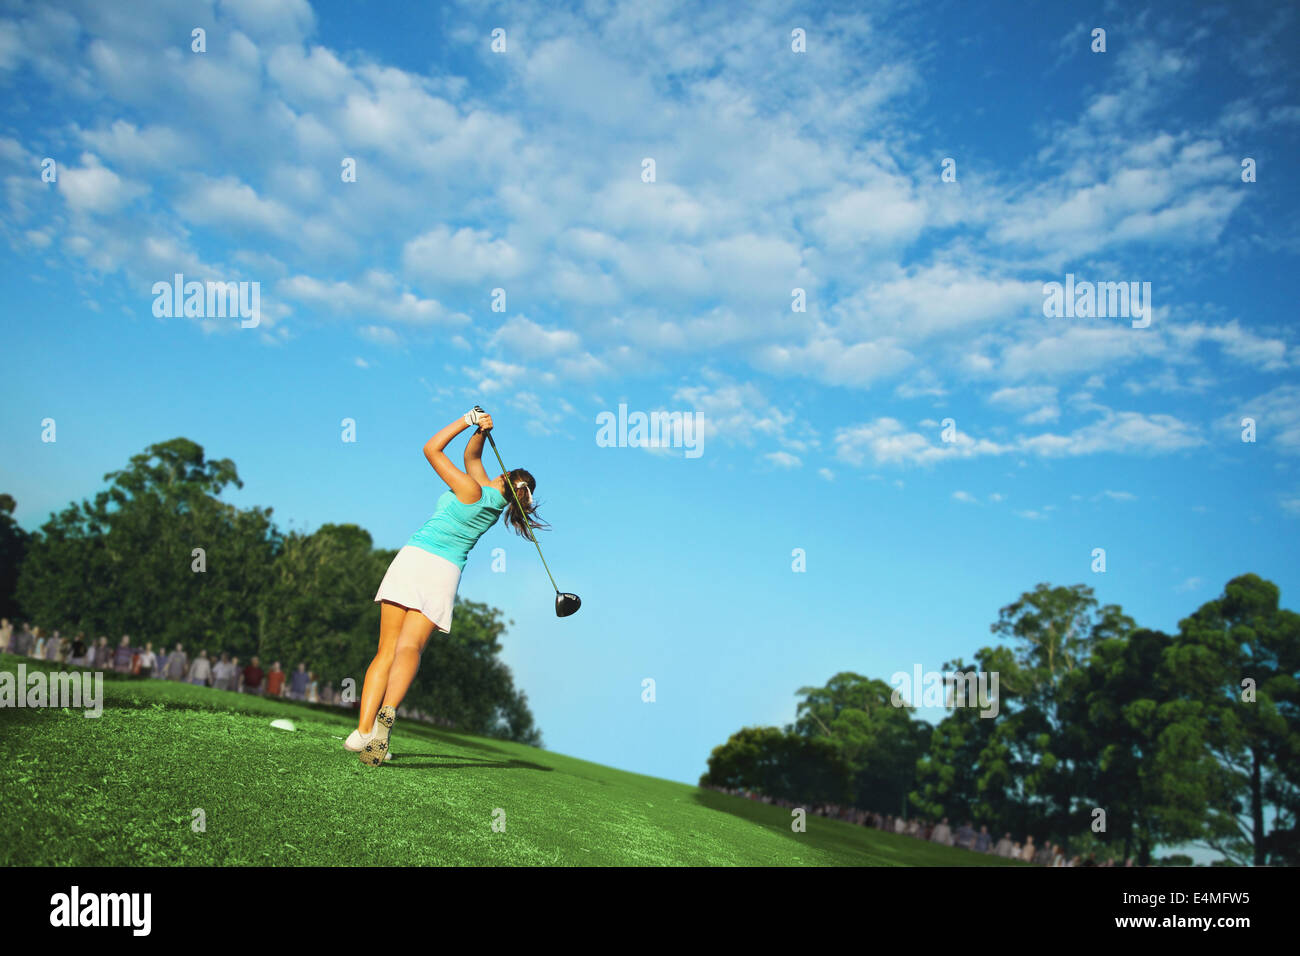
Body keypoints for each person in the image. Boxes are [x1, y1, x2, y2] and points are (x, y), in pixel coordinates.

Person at [349, 409, 548, 767]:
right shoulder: (492, 501)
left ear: (502, 477)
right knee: (411, 648)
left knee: (386, 650)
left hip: (413, 560)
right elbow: (472, 457)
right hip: (445, 573)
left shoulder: (471, 489)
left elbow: (431, 449)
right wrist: (483, 433)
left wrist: (467, 419)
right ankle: (387, 713)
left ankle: (364, 732)